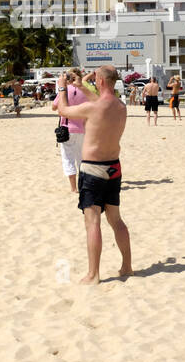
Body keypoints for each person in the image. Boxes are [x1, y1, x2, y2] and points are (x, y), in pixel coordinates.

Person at [56, 65, 132, 284]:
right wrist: (81, 86)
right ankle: (127, 266)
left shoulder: (92, 108)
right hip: (114, 167)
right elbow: (102, 101)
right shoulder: (120, 106)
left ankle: (93, 274)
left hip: (93, 169)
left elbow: (63, 110)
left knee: (93, 223)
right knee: (116, 220)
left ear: (99, 80)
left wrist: (62, 89)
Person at [52, 70, 90, 193]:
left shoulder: (65, 90)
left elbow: (54, 106)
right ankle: (83, 185)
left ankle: (74, 188)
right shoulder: (84, 91)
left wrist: (61, 88)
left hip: (67, 128)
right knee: (81, 159)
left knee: (68, 158)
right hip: (81, 128)